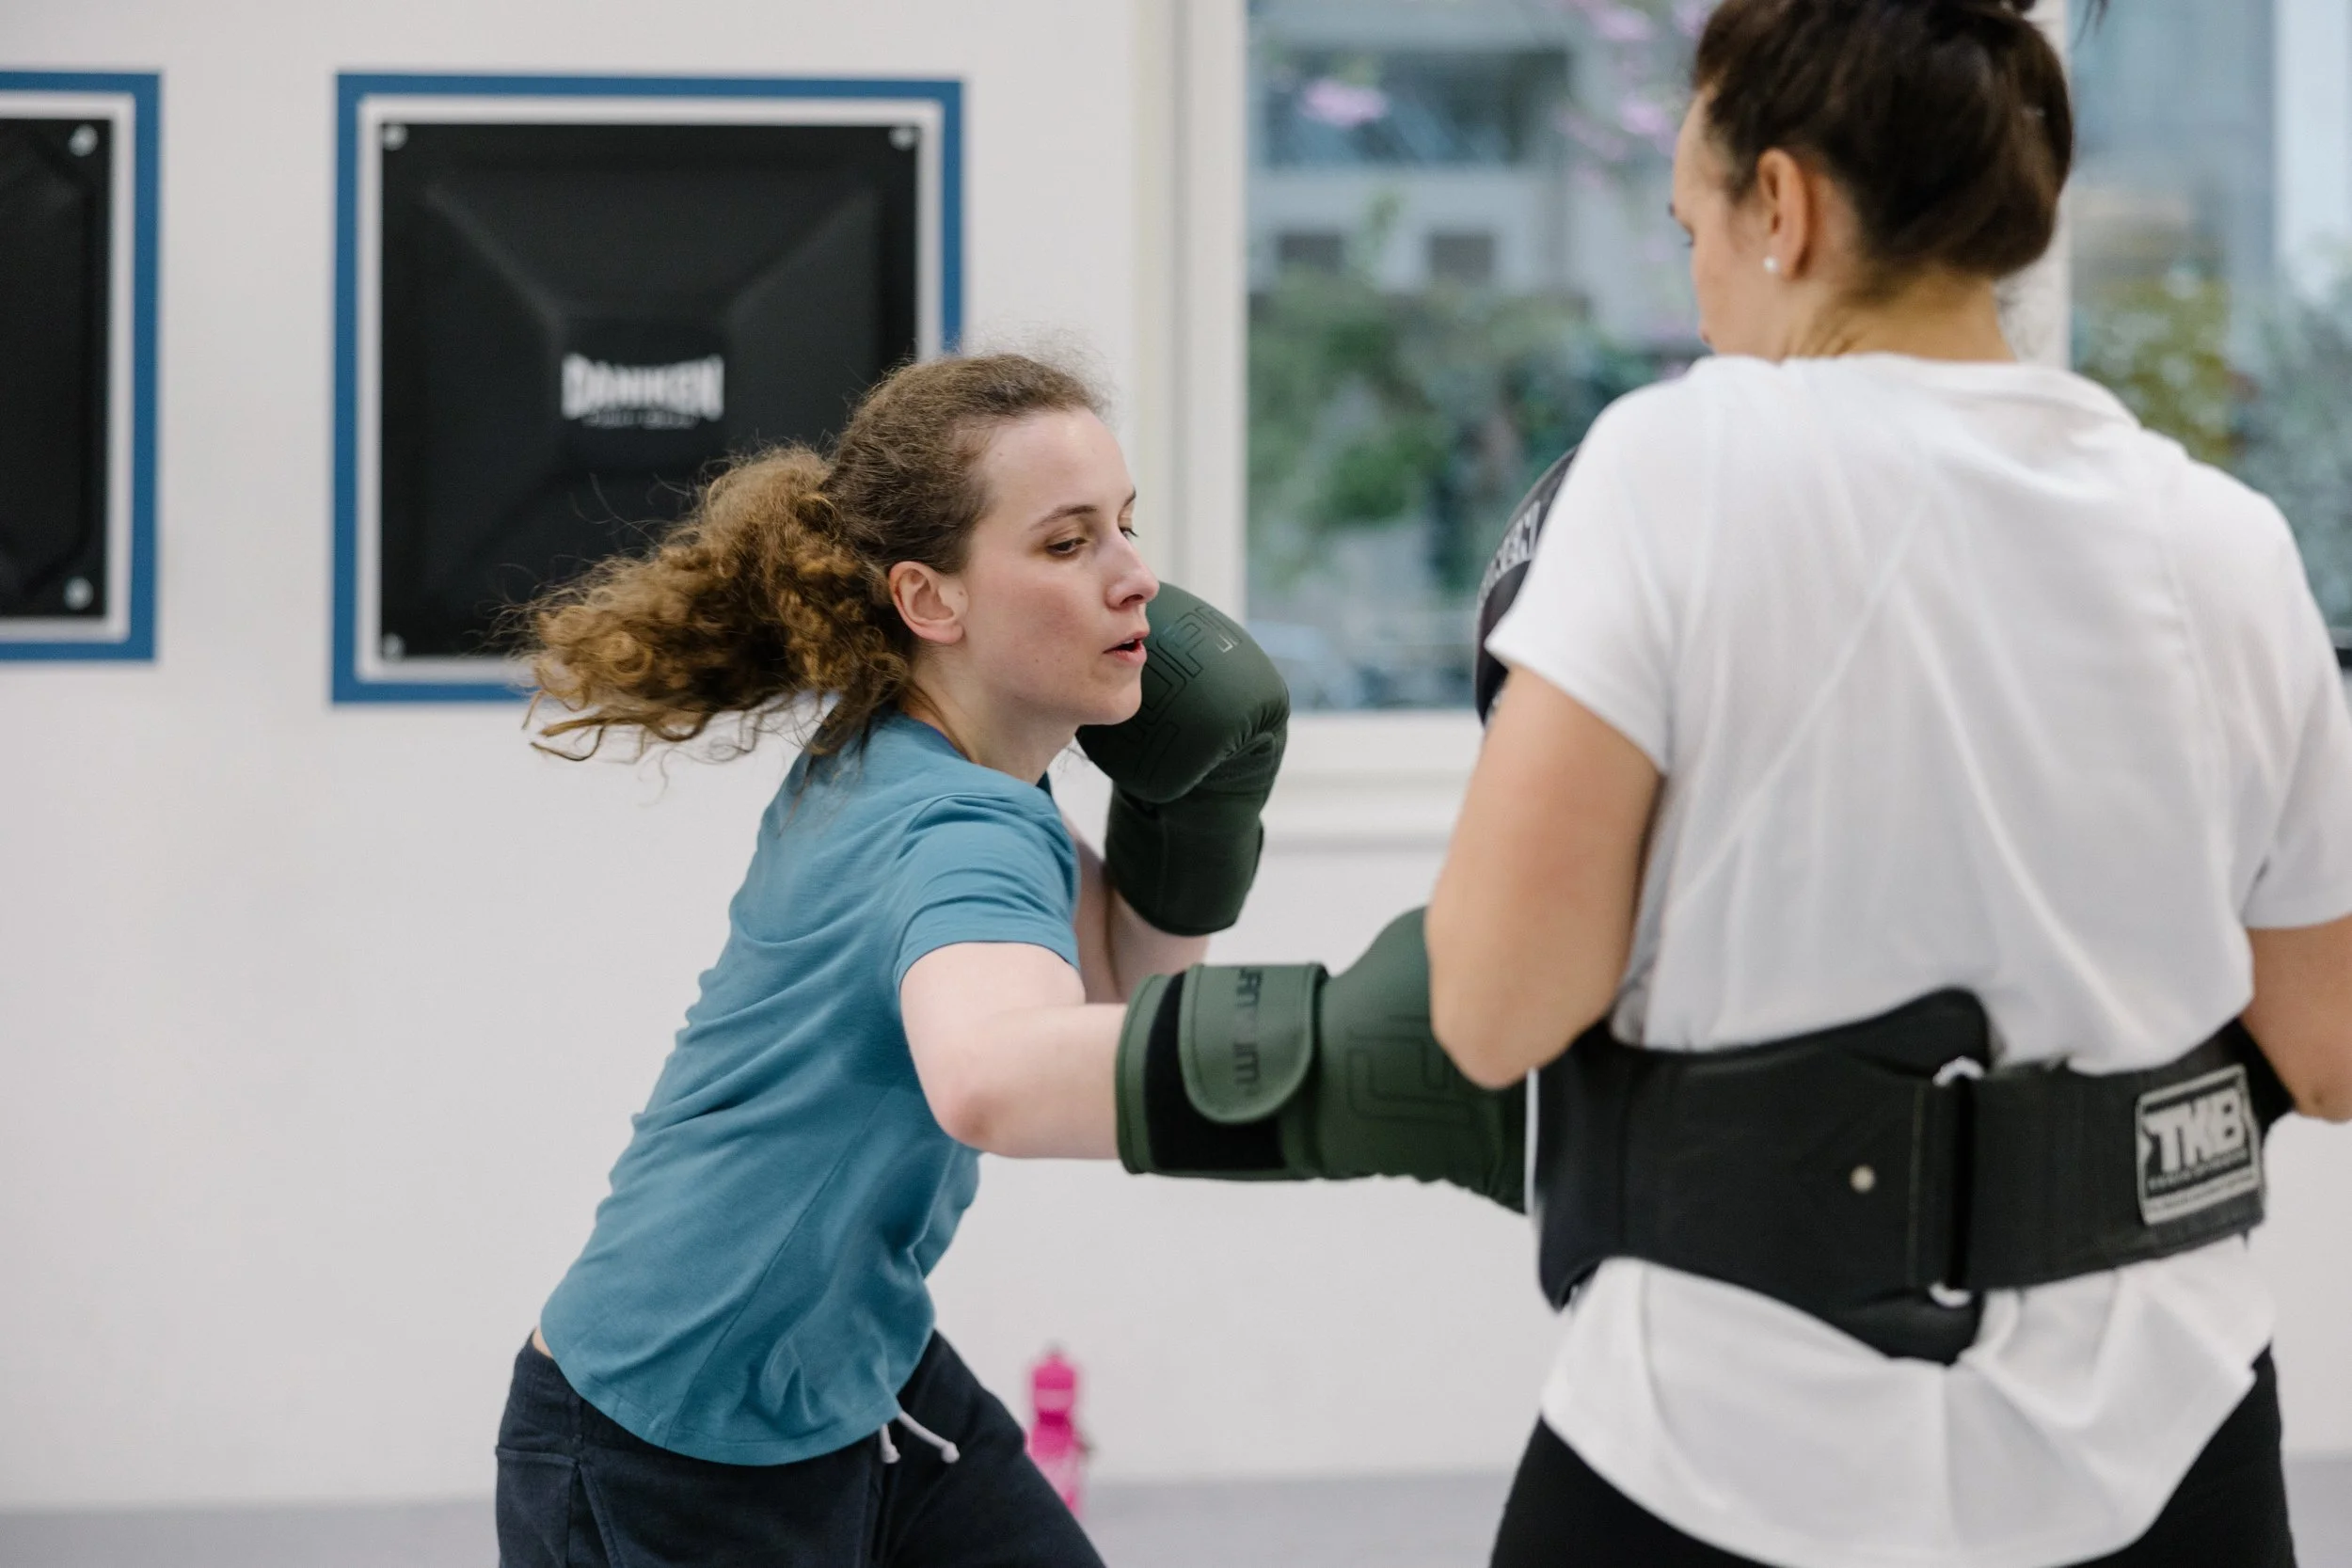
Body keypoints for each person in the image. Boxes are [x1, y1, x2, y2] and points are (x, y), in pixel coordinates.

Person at [1420, 0, 2352, 1564]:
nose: (1702, 282)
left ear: (1780, 206)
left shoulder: (1670, 468)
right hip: (2163, 1441)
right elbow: (2326, 1049)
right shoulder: (2229, 546)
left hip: (1724, 1444)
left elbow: (1497, 1006)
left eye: (1694, 227)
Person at [491, 353, 1289, 1567]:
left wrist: (1205, 814)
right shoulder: (956, 827)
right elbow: (992, 1076)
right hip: (667, 1440)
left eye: (1127, 526)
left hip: (848, 1367)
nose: (1139, 580)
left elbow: (1127, 988)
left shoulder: (920, 755)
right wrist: (1312, 1062)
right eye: (1069, 545)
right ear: (930, 599)